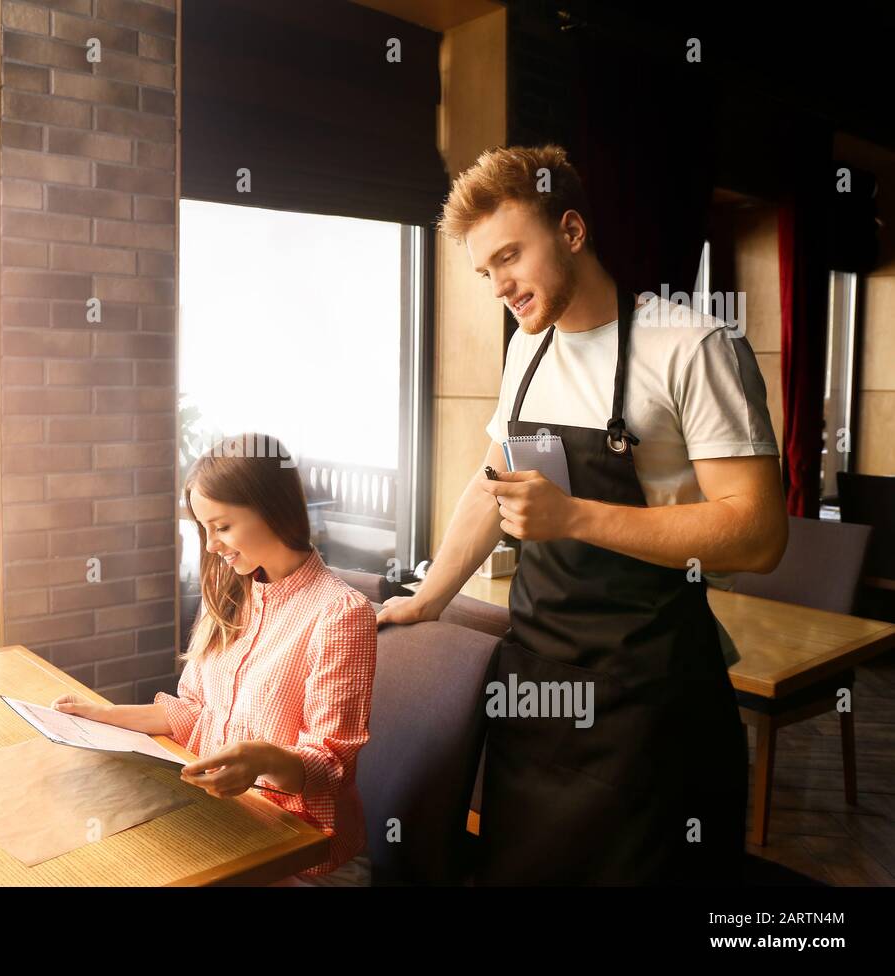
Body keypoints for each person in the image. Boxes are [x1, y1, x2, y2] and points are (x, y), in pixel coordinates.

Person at [378, 145, 787, 884]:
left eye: (510, 256)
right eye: (485, 271)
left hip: (651, 700)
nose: (500, 285)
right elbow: (491, 481)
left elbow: (757, 534)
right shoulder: (526, 350)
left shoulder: (690, 343)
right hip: (541, 692)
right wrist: (430, 598)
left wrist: (573, 518)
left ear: (571, 231)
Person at [51, 432, 377, 885]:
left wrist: (261, 759)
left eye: (221, 527)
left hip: (304, 859)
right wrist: (104, 716)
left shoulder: (341, 614)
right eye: (204, 529)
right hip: (222, 827)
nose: (210, 545)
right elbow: (195, 712)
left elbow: (330, 768)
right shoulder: (228, 591)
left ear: (272, 509)